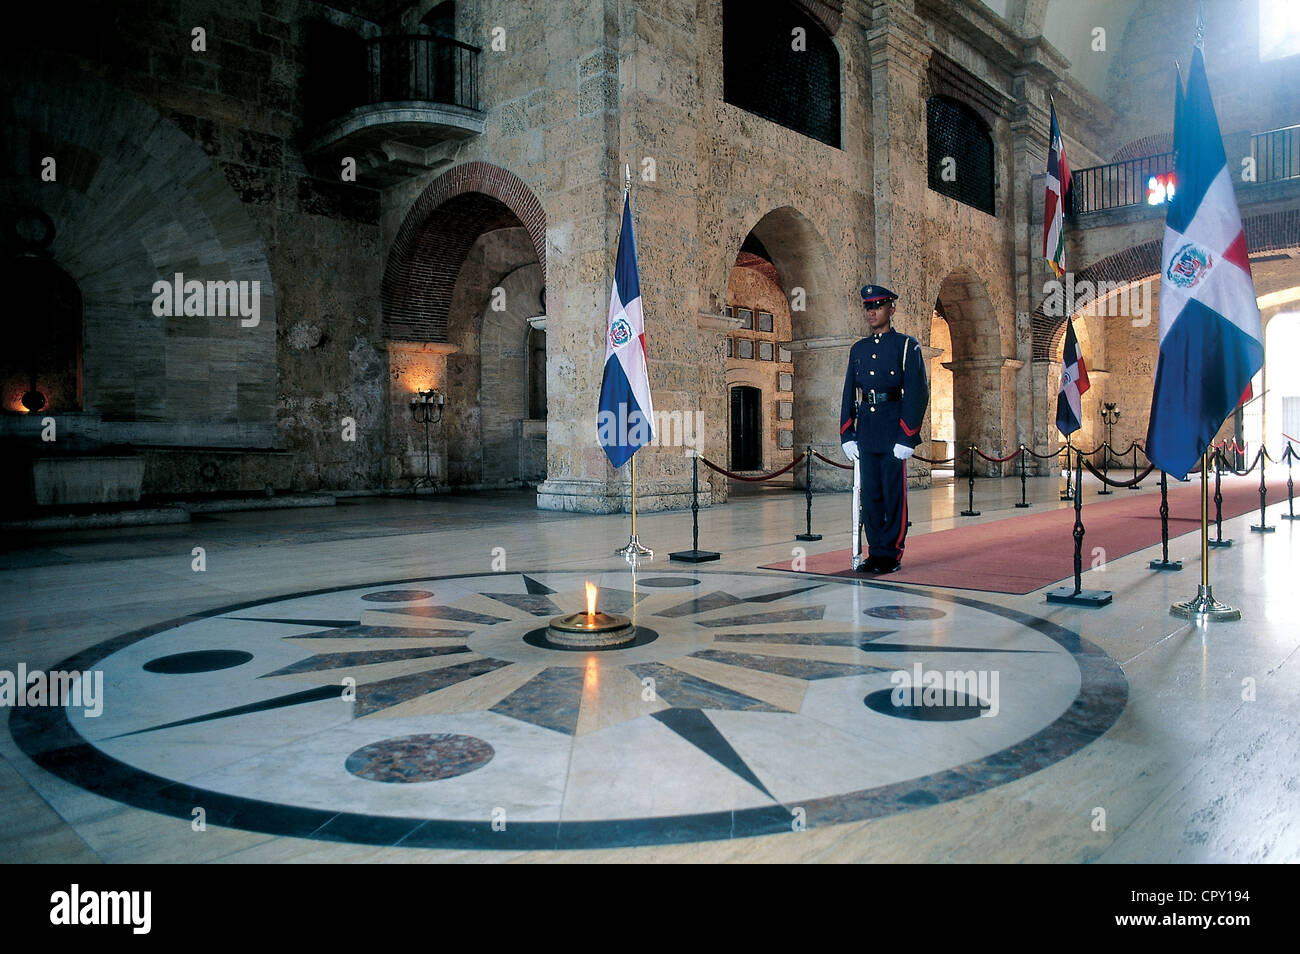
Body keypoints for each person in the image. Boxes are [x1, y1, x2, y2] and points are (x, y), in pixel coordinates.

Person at [839, 284, 929, 573]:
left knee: (893, 495)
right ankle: (875, 551)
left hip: (893, 431)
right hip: (867, 431)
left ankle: (891, 553)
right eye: (868, 307)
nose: (872, 312)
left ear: (891, 309)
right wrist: (847, 433)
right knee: (871, 496)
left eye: (878, 306)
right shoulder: (859, 349)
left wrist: (908, 435)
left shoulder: (906, 345)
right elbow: (850, 393)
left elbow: (917, 393)